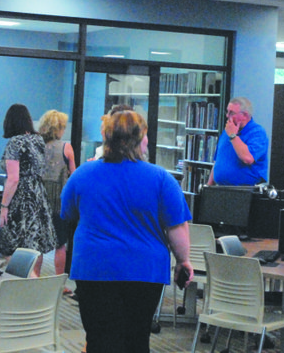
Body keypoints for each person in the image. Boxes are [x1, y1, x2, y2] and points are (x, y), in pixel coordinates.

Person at [61, 109, 193, 353]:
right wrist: (183, 261)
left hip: (94, 267)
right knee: (136, 339)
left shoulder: (82, 175)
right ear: (139, 139)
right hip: (144, 271)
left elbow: (68, 213)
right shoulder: (161, 179)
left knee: (99, 339)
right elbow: (177, 227)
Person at [0, 103, 57, 277]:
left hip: (20, 198)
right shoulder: (38, 140)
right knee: (35, 244)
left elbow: (13, 178)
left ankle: (26, 281)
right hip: (38, 194)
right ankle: (35, 281)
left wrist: (4, 206)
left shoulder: (15, 143)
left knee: (12, 245)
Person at [37, 109, 77, 281]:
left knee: (38, 244)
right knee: (60, 244)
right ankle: (59, 282)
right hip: (59, 201)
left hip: (39, 199)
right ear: (58, 128)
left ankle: (35, 279)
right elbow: (74, 176)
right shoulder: (66, 147)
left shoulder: (36, 146)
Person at [208, 97, 268, 186]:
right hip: (221, 188)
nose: (227, 116)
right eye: (227, 112)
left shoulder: (257, 132)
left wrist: (233, 136)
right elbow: (218, 161)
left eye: (231, 113)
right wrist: (208, 186)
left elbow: (248, 158)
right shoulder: (227, 132)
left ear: (245, 115)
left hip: (245, 189)